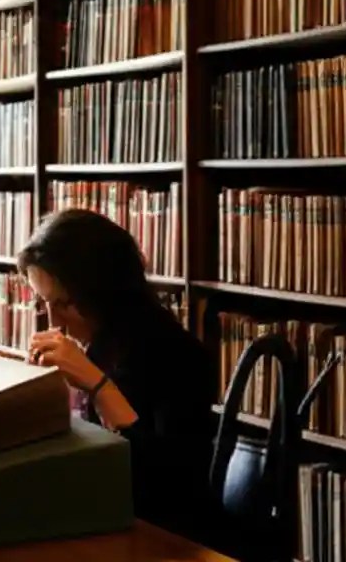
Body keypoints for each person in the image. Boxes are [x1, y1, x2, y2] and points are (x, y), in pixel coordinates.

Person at [18, 208, 216, 539]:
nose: (54, 323)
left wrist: (98, 386)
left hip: (167, 537)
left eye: (64, 304)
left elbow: (167, 489)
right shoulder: (99, 345)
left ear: (103, 293)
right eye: (44, 303)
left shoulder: (180, 358)